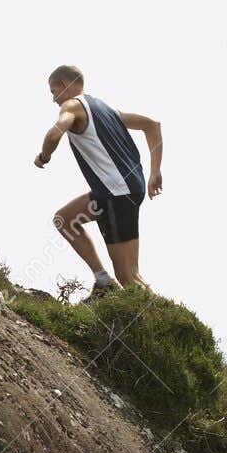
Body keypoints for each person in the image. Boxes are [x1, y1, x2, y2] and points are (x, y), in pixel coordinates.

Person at [34, 64, 163, 295]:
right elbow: (152, 126)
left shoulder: (71, 105)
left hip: (116, 194)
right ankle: (103, 280)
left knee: (128, 277)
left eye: (53, 92)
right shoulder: (105, 108)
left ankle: (163, 324)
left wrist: (43, 156)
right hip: (121, 191)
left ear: (64, 85)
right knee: (65, 219)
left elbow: (55, 133)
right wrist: (155, 172)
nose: (54, 99)